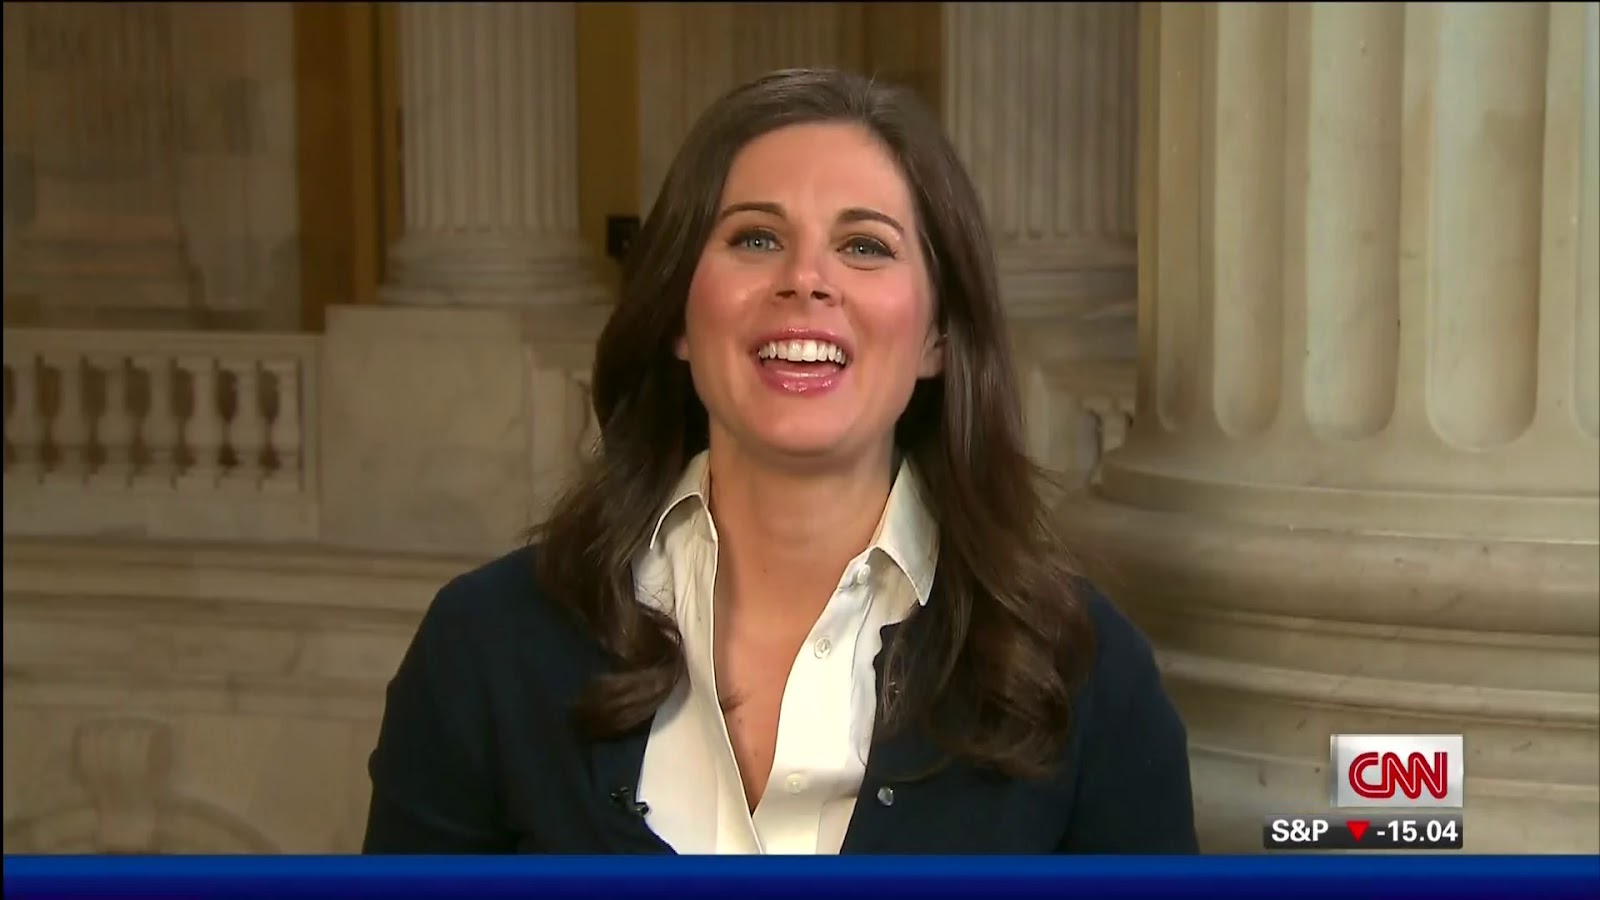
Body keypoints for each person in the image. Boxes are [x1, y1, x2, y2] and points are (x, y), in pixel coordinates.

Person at [363, 68, 1196, 855]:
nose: (806, 279)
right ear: (678, 315)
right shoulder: (484, 648)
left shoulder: (1083, 675)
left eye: (865, 246)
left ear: (938, 336)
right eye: (756, 238)